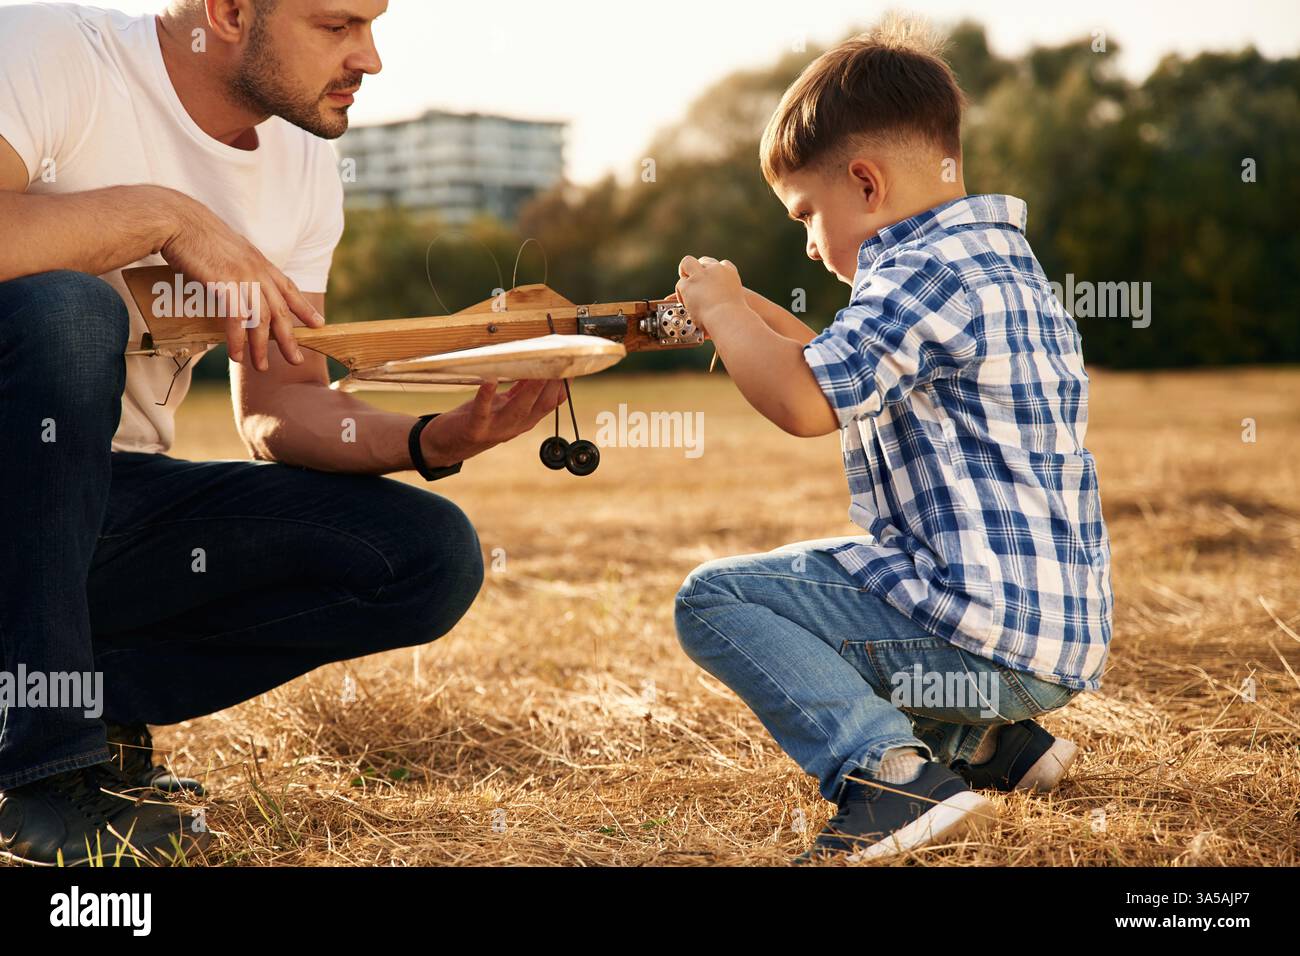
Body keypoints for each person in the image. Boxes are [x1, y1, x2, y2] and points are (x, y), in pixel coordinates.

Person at [0, 0, 566, 866]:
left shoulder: (300, 162)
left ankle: (69, 697)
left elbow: (279, 406)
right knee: (65, 312)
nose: (369, 58)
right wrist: (167, 214)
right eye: (337, 26)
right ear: (228, 13)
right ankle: (39, 778)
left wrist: (434, 440)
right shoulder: (51, 49)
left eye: (372, 24)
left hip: (96, 511)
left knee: (422, 553)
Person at [670, 17, 1112, 863]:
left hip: (978, 637)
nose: (807, 239)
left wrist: (725, 311)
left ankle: (889, 778)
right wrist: (738, 313)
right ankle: (993, 747)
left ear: (865, 183)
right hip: (1044, 643)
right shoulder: (992, 262)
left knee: (716, 599)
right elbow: (825, 362)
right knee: (850, 583)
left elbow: (804, 402)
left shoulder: (921, 273)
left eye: (807, 214)